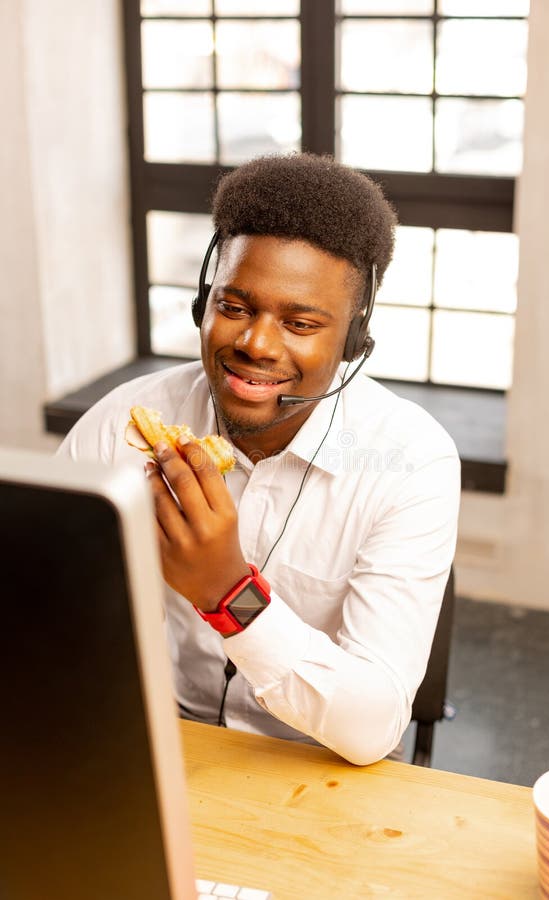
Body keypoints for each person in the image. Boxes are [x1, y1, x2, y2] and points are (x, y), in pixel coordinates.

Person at [58, 153, 460, 766]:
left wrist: (228, 591)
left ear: (353, 339)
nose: (255, 344)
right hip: (160, 743)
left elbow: (373, 726)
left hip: (315, 760)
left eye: (300, 322)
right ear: (204, 301)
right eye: (235, 307)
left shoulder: (411, 462)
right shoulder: (123, 421)